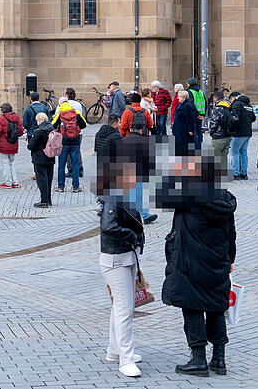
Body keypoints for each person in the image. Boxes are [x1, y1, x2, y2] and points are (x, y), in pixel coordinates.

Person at [161, 157, 237, 377]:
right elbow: (231, 234)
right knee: (215, 306)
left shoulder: (189, 196)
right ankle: (219, 359)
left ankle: (198, 359)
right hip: (217, 262)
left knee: (193, 306)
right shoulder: (225, 198)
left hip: (190, 262)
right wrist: (230, 259)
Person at [98, 159, 145, 378]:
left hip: (126, 256)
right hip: (115, 259)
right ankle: (125, 358)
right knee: (125, 310)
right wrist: (131, 236)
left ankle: (115, 350)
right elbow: (108, 227)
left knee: (120, 307)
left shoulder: (123, 195)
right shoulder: (113, 196)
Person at [52, 99, 87, 192]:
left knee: (61, 165)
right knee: (75, 164)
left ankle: (61, 187)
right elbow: (84, 124)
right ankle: (75, 187)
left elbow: (52, 125)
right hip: (75, 142)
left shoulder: (60, 114)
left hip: (63, 142)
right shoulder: (76, 113)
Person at [26, 113, 55, 208]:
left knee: (42, 180)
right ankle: (48, 199)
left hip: (40, 158)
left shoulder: (39, 131)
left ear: (39, 120)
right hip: (51, 157)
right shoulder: (52, 129)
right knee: (49, 179)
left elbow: (31, 146)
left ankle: (44, 201)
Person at [0, 103, 24, 189]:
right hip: (14, 143)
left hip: (4, 144)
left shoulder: (2, 118)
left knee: (5, 164)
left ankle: (8, 182)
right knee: (11, 163)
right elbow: (21, 132)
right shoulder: (17, 117)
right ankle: (15, 181)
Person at [229, 94, 255, 179]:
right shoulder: (249, 106)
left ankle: (235, 174)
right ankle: (244, 173)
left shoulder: (237, 104)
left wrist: (231, 130)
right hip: (247, 133)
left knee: (234, 152)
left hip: (238, 133)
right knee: (243, 152)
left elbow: (234, 118)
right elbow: (253, 118)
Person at [207, 91, 233, 166]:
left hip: (218, 136)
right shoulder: (229, 106)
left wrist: (211, 132)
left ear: (215, 98)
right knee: (223, 158)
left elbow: (213, 124)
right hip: (228, 136)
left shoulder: (217, 108)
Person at [171, 90, 198, 156]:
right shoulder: (180, 104)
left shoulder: (187, 106)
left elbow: (190, 118)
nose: (178, 98)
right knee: (178, 145)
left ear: (184, 97)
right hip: (178, 129)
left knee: (183, 145)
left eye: (179, 97)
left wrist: (190, 130)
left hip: (183, 129)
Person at [186, 78, 206, 148]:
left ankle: (196, 147)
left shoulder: (189, 92)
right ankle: (199, 145)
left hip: (193, 115)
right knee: (199, 131)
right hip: (201, 114)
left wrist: (196, 115)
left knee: (193, 131)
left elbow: (191, 104)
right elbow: (205, 103)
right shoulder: (200, 91)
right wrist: (203, 115)